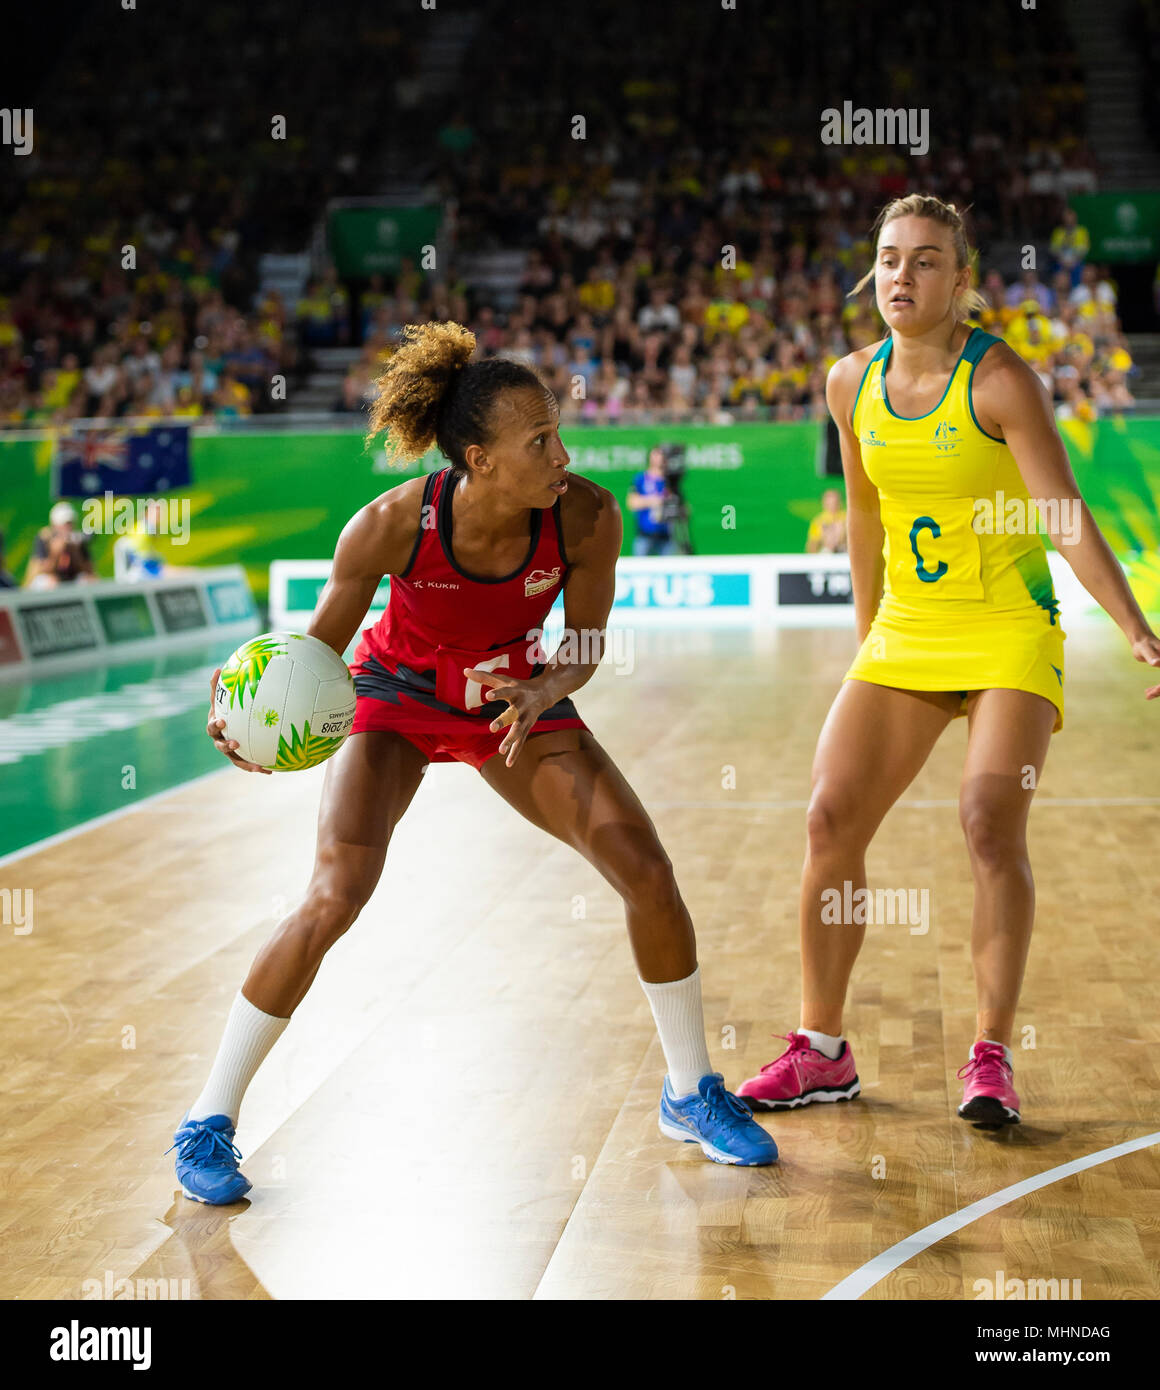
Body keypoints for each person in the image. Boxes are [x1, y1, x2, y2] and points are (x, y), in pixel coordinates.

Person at [168, 322, 776, 1204]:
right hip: (396, 694)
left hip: (509, 700)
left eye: (559, 431)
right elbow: (312, 663)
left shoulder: (588, 517)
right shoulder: (386, 527)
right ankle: (206, 1122)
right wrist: (253, 726)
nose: (562, 453)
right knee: (334, 895)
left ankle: (690, 1092)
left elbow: (589, 641)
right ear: (478, 459)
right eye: (540, 441)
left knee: (646, 870)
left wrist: (543, 690)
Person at [736, 194, 1160, 1127]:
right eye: (889, 259)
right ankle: (821, 1051)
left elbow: (1061, 514)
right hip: (910, 630)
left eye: (926, 261)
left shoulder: (1002, 380)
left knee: (986, 818)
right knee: (829, 815)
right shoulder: (850, 383)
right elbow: (868, 522)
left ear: (962, 281)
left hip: (1010, 621)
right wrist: (867, 645)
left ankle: (991, 1055)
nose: (902, 276)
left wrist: (1132, 624)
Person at [24, 502, 97, 589]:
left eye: (70, 523)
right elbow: (39, 570)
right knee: (49, 583)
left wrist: (75, 552)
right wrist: (56, 553)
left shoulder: (77, 540)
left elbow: (89, 570)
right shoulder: (45, 537)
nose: (68, 527)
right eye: (65, 524)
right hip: (50, 579)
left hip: (72, 579)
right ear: (55, 525)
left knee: (90, 582)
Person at [627, 447, 676, 556]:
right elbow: (632, 503)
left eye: (662, 455)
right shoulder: (640, 479)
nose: (659, 458)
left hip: (666, 537)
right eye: (656, 454)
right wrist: (654, 500)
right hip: (645, 535)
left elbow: (682, 506)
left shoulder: (670, 481)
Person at [806, 488, 848, 554]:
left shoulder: (847, 518)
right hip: (827, 553)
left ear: (840, 502)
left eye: (835, 501)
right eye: (829, 502)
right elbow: (812, 544)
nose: (832, 504)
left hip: (845, 552)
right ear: (824, 503)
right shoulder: (818, 521)